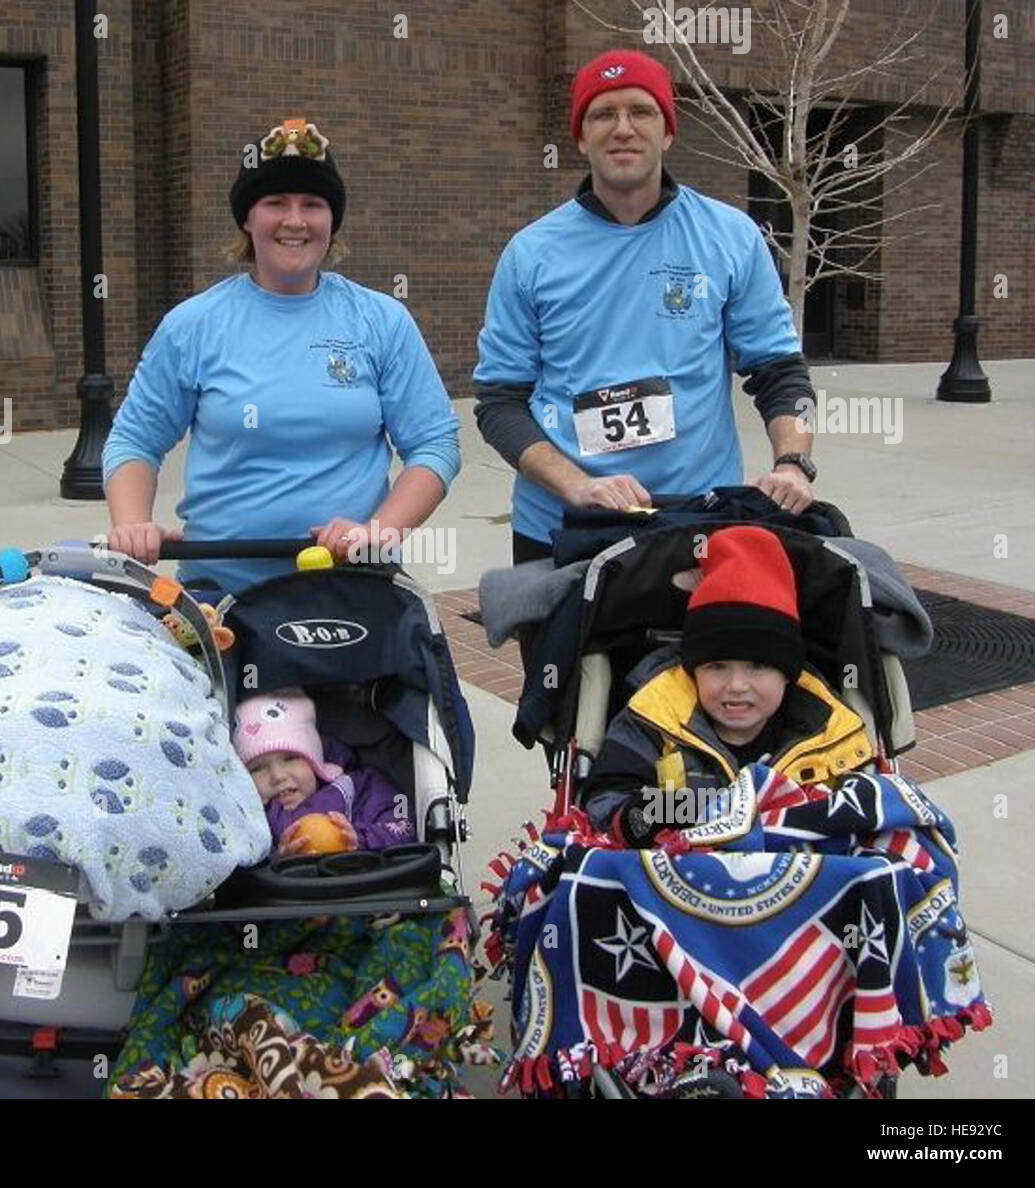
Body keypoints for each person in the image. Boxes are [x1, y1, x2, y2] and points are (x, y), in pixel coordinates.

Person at [473, 50, 819, 577]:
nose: (623, 129)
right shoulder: (531, 253)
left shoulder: (730, 237)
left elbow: (778, 371)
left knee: (697, 664)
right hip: (561, 528)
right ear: (581, 138)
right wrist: (577, 485)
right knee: (564, 664)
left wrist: (793, 464)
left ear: (668, 132)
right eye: (602, 114)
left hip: (696, 519)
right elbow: (500, 403)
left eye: (641, 111)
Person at [103, 117, 460, 593]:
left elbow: (435, 445)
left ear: (332, 221)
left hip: (354, 585)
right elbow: (134, 440)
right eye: (275, 203)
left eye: (312, 204)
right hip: (223, 590)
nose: (295, 221)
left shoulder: (382, 321)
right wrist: (132, 524)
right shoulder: (193, 325)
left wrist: (378, 532)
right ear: (248, 219)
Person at [580, 525, 874, 846]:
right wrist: (664, 810)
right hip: (681, 874)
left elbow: (867, 810)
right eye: (716, 667)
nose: (736, 685)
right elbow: (602, 802)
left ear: (788, 673)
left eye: (758, 667)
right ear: (693, 671)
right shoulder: (654, 717)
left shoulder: (829, 729)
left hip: (800, 874)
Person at [233, 687, 416, 855]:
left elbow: (404, 828)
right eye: (257, 768)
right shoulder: (252, 820)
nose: (278, 776)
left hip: (370, 881)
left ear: (314, 760)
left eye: (291, 758)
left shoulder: (359, 788)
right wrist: (279, 861)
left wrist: (359, 839)